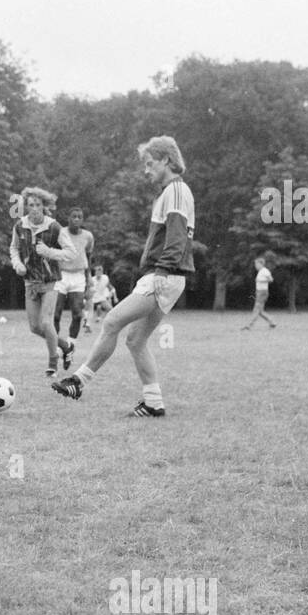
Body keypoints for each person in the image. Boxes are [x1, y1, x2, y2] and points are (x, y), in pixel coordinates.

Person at [52, 136, 195, 417]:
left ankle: (78, 381)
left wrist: (161, 273)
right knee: (135, 340)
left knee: (112, 320)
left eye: (149, 163)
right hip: (166, 275)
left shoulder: (176, 190)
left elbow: (177, 238)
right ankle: (153, 403)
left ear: (166, 159)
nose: (146, 170)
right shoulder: (169, 192)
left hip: (164, 274)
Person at [9, 186, 74, 377]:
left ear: (44, 206)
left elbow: (71, 253)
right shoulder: (20, 226)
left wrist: (49, 252)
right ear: (26, 207)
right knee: (35, 327)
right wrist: (17, 264)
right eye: (31, 205)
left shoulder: (54, 227)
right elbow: (13, 248)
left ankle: (52, 364)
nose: (35, 208)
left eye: (38, 204)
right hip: (30, 282)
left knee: (46, 322)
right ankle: (65, 347)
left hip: (50, 281)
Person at [51, 207, 94, 342]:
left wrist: (88, 278)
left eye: (79, 217)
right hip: (61, 275)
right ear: (68, 218)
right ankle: (58, 346)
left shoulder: (88, 236)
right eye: (73, 216)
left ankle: (71, 345)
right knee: (56, 314)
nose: (76, 219)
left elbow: (88, 255)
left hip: (79, 276)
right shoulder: (60, 233)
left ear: (82, 219)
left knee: (77, 314)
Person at [242, 256, 277, 329]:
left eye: (256, 264)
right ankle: (272, 322)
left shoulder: (265, 271)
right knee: (260, 311)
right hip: (259, 292)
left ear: (261, 264)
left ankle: (249, 325)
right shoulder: (261, 271)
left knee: (256, 309)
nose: (255, 266)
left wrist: (261, 281)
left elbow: (271, 279)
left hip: (262, 292)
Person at [87, 264, 117, 331]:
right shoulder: (92, 280)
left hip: (101, 298)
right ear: (95, 272)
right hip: (92, 297)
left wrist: (115, 297)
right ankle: (87, 326)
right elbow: (88, 289)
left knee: (111, 310)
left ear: (102, 272)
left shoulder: (105, 278)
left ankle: (111, 324)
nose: (98, 273)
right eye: (97, 271)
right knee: (89, 311)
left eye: (100, 271)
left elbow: (110, 287)